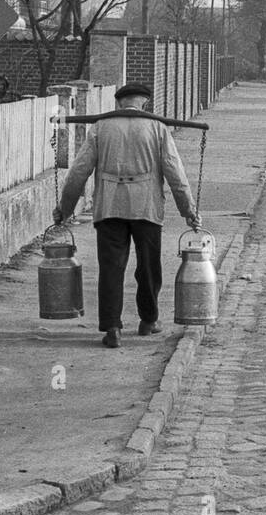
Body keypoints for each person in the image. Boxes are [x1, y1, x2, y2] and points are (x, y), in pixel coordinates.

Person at [53, 83, 201, 348]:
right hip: (146, 206)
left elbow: (78, 172)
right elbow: (175, 173)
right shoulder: (157, 128)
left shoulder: (101, 127)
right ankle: (148, 320)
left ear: (119, 103)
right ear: (144, 102)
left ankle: (112, 327)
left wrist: (64, 209)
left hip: (110, 206)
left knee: (111, 267)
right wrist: (188, 211)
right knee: (148, 267)